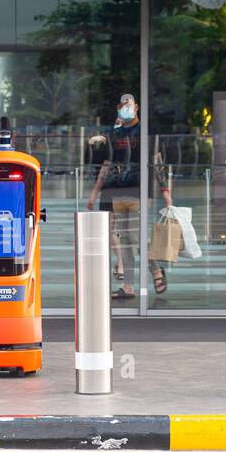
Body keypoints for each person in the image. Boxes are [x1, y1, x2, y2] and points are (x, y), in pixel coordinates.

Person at [86, 93, 172, 298]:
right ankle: (128, 286)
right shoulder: (114, 134)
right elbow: (108, 164)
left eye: (129, 104)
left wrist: (165, 191)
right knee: (124, 240)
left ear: (136, 107)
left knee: (136, 237)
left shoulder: (144, 132)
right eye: (122, 104)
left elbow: (156, 161)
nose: (125, 107)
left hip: (138, 190)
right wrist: (95, 193)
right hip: (117, 190)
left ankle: (156, 269)